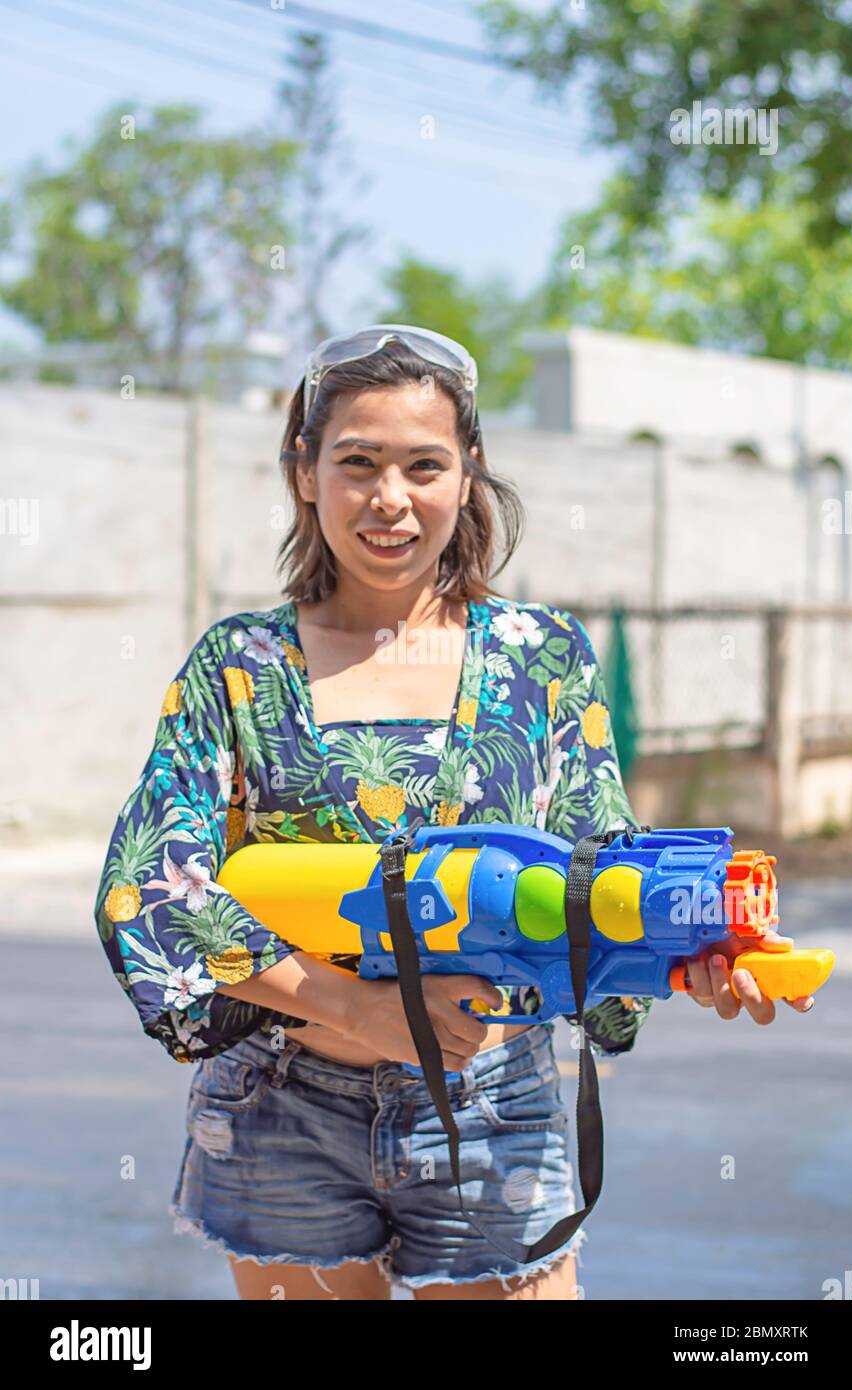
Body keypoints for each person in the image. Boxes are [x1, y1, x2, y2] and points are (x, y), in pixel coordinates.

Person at [94, 324, 814, 1302]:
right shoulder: (239, 666)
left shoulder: (542, 657)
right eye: (357, 462)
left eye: (423, 465)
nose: (390, 498)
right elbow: (150, 884)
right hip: (282, 1103)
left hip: (495, 1103)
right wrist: (359, 1009)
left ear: (468, 473)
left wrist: (696, 950)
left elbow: (603, 876)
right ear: (303, 471)